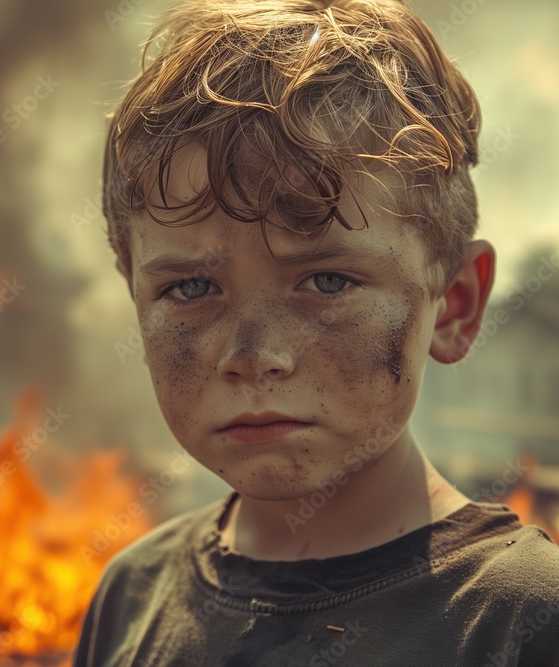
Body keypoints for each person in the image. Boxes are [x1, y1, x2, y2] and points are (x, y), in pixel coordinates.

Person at [73, 0, 559, 664]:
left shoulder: (522, 620)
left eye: (327, 281)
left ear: (453, 303)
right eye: (190, 288)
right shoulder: (129, 596)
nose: (255, 357)